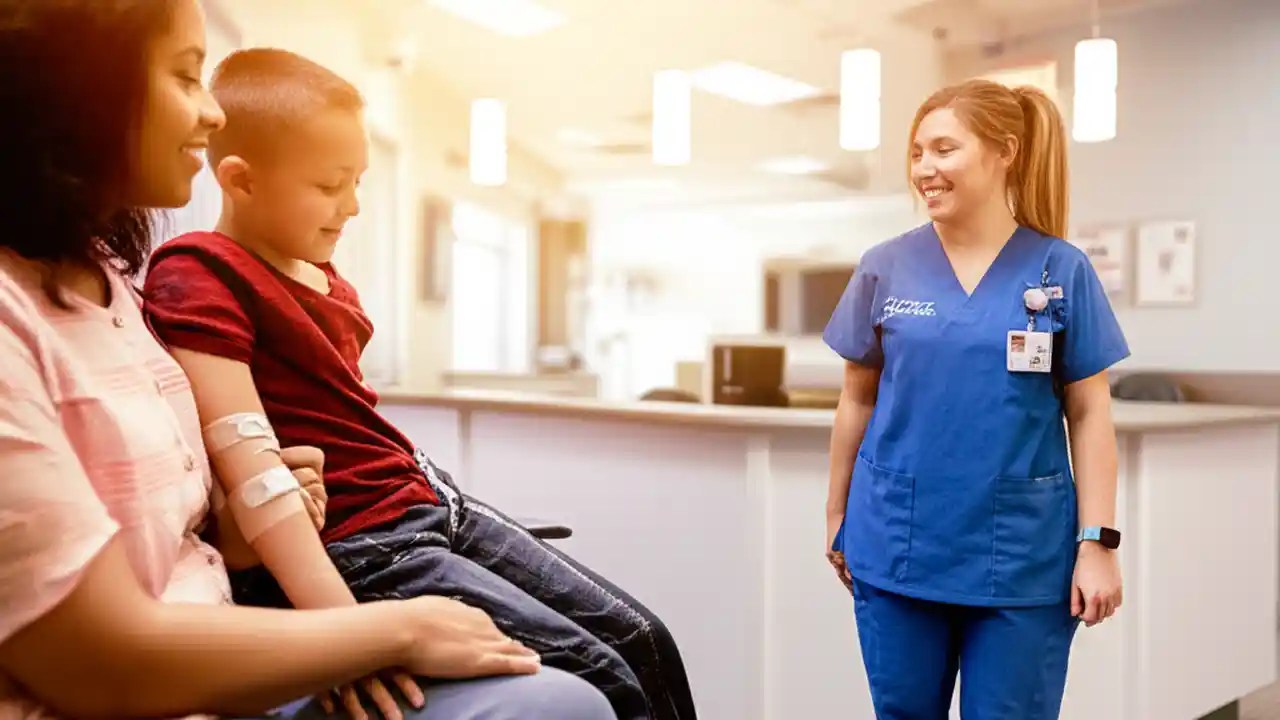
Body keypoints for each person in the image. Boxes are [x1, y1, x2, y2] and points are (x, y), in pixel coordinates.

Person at [0, 1, 617, 719]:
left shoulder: (116, 285)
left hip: (244, 613)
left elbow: (171, 530)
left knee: (606, 665)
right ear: (75, 86)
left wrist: (229, 535)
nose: (212, 113)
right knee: (576, 695)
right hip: (166, 677)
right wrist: (383, 629)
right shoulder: (176, 281)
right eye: (185, 77)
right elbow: (101, 659)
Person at [141, 47, 696, 720]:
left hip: (427, 496)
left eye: (358, 182)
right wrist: (337, 637)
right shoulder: (198, 271)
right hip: (362, 538)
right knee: (603, 674)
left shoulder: (326, 276)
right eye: (328, 185)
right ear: (240, 180)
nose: (350, 206)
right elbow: (252, 467)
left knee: (644, 637)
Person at [823, 78, 1128, 719]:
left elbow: (1090, 413)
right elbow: (856, 400)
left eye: (943, 149)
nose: (924, 170)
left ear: (1005, 151)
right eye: (916, 153)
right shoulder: (884, 267)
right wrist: (835, 515)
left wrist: (1097, 543)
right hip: (897, 543)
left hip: (1021, 557)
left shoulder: (1060, 269)